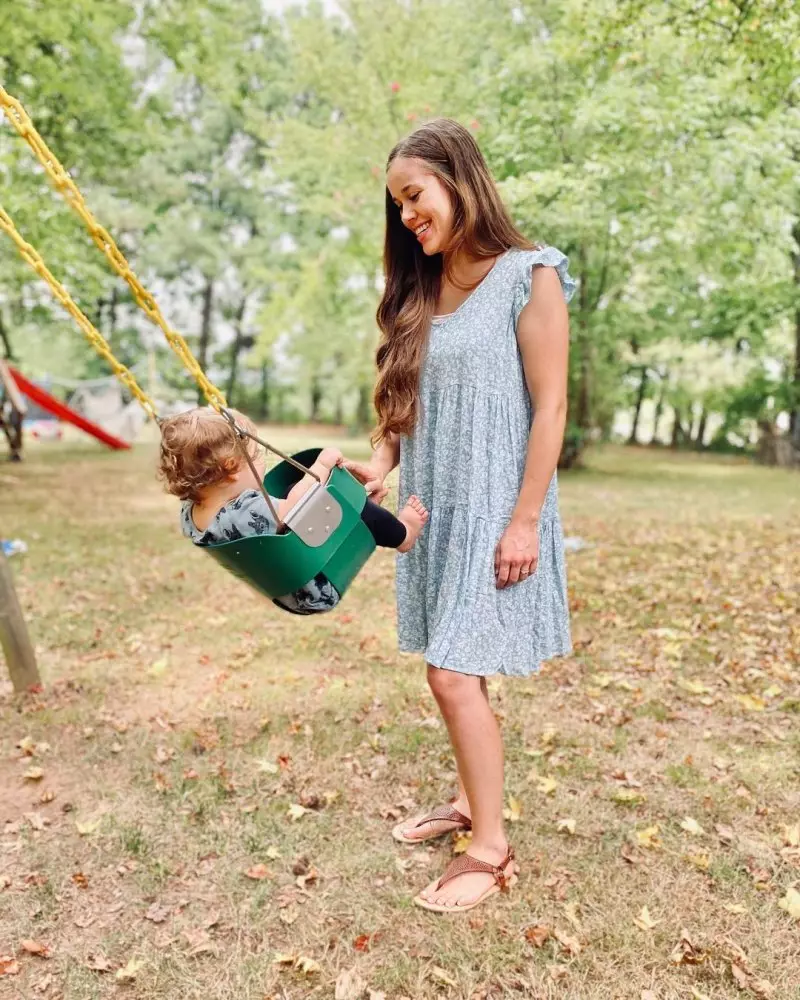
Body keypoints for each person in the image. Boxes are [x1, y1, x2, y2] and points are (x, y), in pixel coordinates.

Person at [344, 118, 575, 913]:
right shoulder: (420, 288)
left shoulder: (528, 274)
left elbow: (550, 410)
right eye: (398, 205)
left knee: (450, 675)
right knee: (453, 667)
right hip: (435, 507)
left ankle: (492, 848)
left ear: (459, 178)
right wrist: (377, 464)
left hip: (499, 506)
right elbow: (410, 403)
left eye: (415, 195)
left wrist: (525, 521)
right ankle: (473, 806)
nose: (407, 215)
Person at [158, 407, 428, 615]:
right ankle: (404, 533)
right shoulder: (244, 511)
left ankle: (358, 516)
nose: (260, 463)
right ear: (231, 469)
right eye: (255, 457)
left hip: (286, 592)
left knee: (302, 496)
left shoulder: (192, 514)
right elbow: (294, 507)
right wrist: (322, 464)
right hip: (317, 583)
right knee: (311, 497)